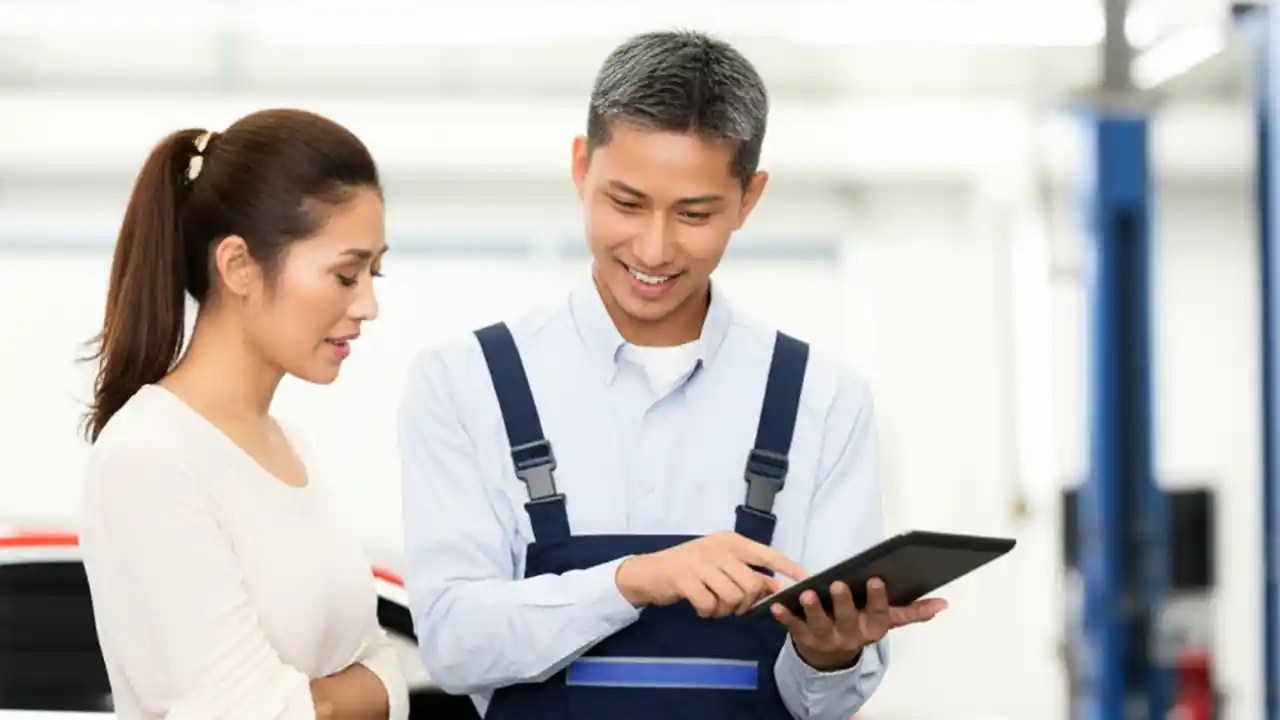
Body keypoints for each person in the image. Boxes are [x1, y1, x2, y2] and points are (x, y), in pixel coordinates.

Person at [398, 31, 946, 719]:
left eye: (694, 214)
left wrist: (828, 654)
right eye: (626, 203)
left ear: (749, 199)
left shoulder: (825, 400)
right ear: (579, 167)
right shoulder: (464, 383)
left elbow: (826, 702)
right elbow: (452, 643)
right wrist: (635, 582)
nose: (653, 249)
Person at [78, 108, 408, 719]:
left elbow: (387, 668)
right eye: (346, 273)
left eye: (374, 272)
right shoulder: (150, 456)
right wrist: (351, 696)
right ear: (238, 266)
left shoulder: (288, 445)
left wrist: (338, 698)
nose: (368, 305)